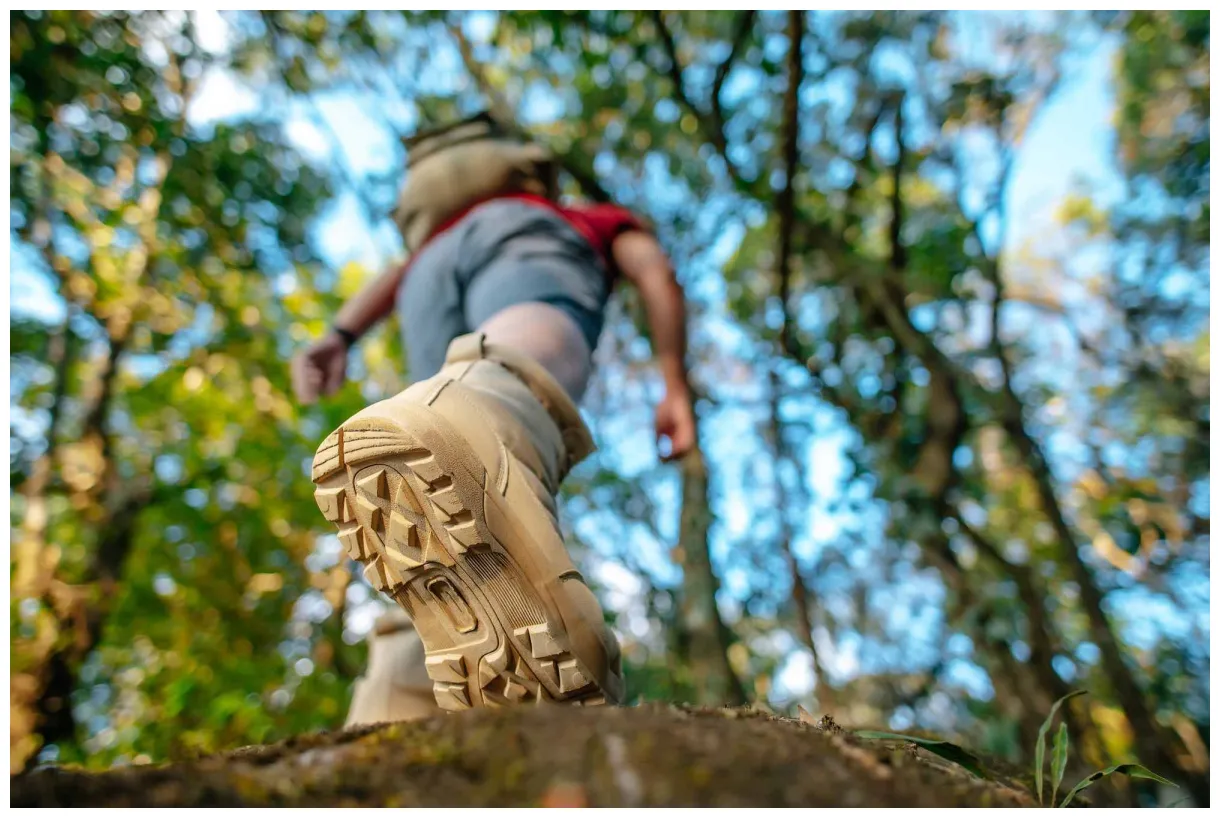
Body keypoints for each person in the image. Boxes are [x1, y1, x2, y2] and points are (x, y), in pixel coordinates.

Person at [291, 121, 695, 724]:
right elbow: (656, 272)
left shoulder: (432, 238)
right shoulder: (582, 216)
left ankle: (399, 694)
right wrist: (674, 383)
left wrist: (340, 334)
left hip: (424, 281)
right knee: (504, 368)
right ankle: (485, 418)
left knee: (431, 439)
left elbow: (397, 273)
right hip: (519, 237)